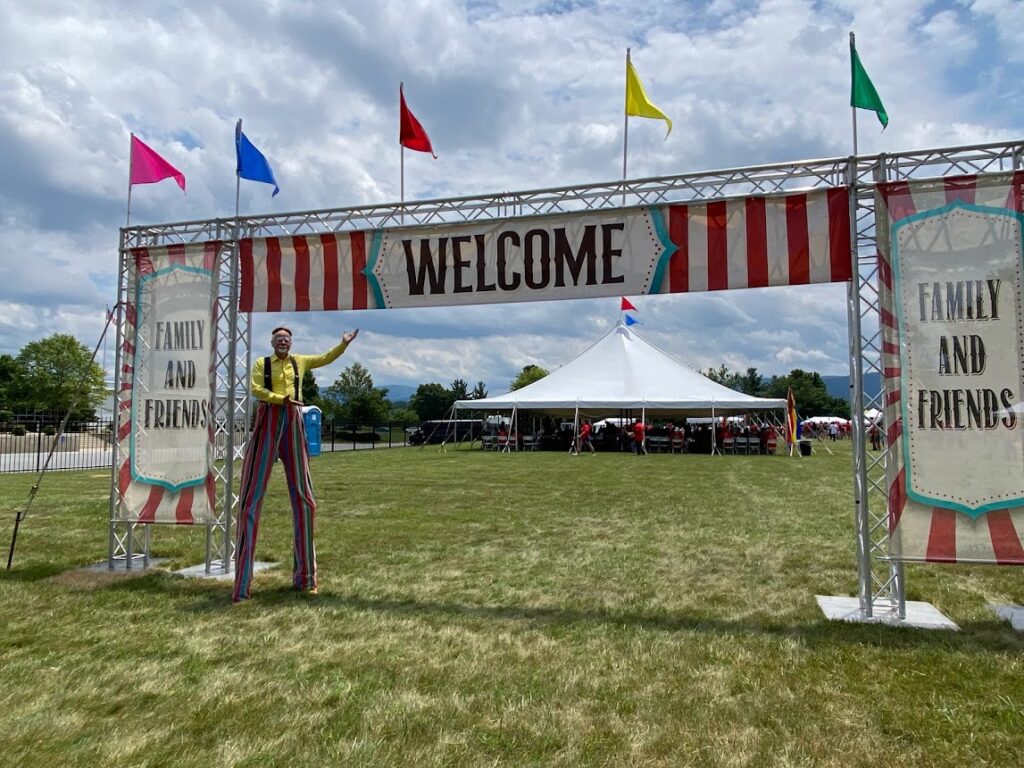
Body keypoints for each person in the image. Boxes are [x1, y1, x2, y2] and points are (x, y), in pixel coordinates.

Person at [232, 326, 359, 603]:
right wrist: (280, 399)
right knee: (250, 500)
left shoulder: (299, 361)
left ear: (291, 343)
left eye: (287, 339)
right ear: (272, 342)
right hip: (268, 420)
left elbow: (325, 358)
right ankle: (241, 586)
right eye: (278, 338)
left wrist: (343, 344)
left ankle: (306, 579)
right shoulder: (261, 364)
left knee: (305, 500)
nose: (283, 341)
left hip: (292, 421)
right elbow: (255, 389)